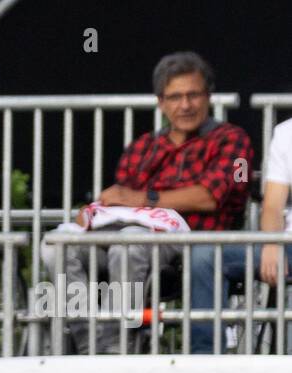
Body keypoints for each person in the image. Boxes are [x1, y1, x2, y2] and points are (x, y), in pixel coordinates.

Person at [45, 52, 252, 354]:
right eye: (175, 96)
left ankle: (116, 350)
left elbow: (209, 196)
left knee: (128, 242)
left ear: (209, 97)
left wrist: (144, 198)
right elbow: (119, 200)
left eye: (193, 95)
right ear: (161, 102)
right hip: (126, 237)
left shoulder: (233, 139)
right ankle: (89, 345)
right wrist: (94, 212)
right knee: (56, 245)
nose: (185, 105)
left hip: (192, 244)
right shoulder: (143, 146)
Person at [259, 118, 292, 303]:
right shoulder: (286, 132)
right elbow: (272, 206)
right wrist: (272, 242)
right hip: (288, 243)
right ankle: (207, 333)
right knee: (206, 257)